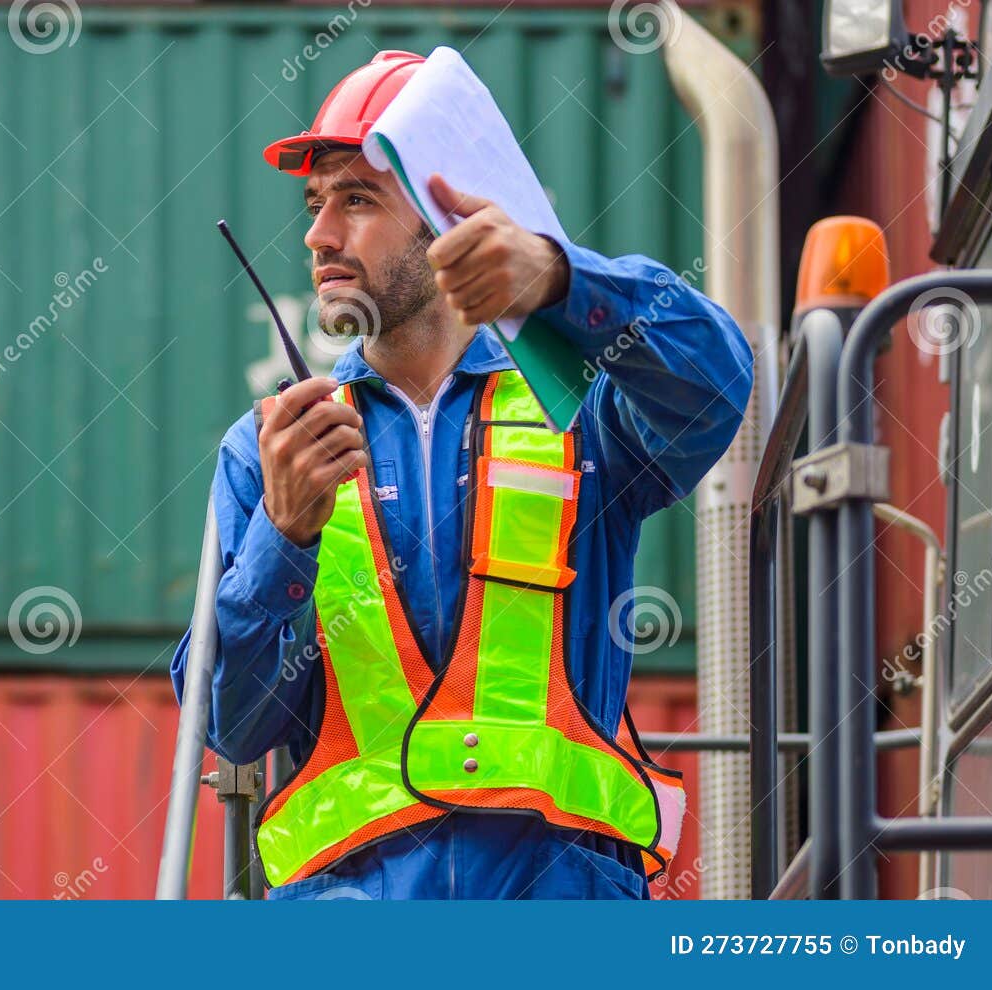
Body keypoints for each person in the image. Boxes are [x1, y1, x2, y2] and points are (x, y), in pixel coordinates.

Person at [170, 51, 753, 900]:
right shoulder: (267, 450)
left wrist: (559, 278)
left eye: (357, 198)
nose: (318, 234)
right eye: (314, 202)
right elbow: (233, 726)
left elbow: (718, 383)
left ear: (446, 218)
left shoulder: (582, 411)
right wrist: (281, 540)